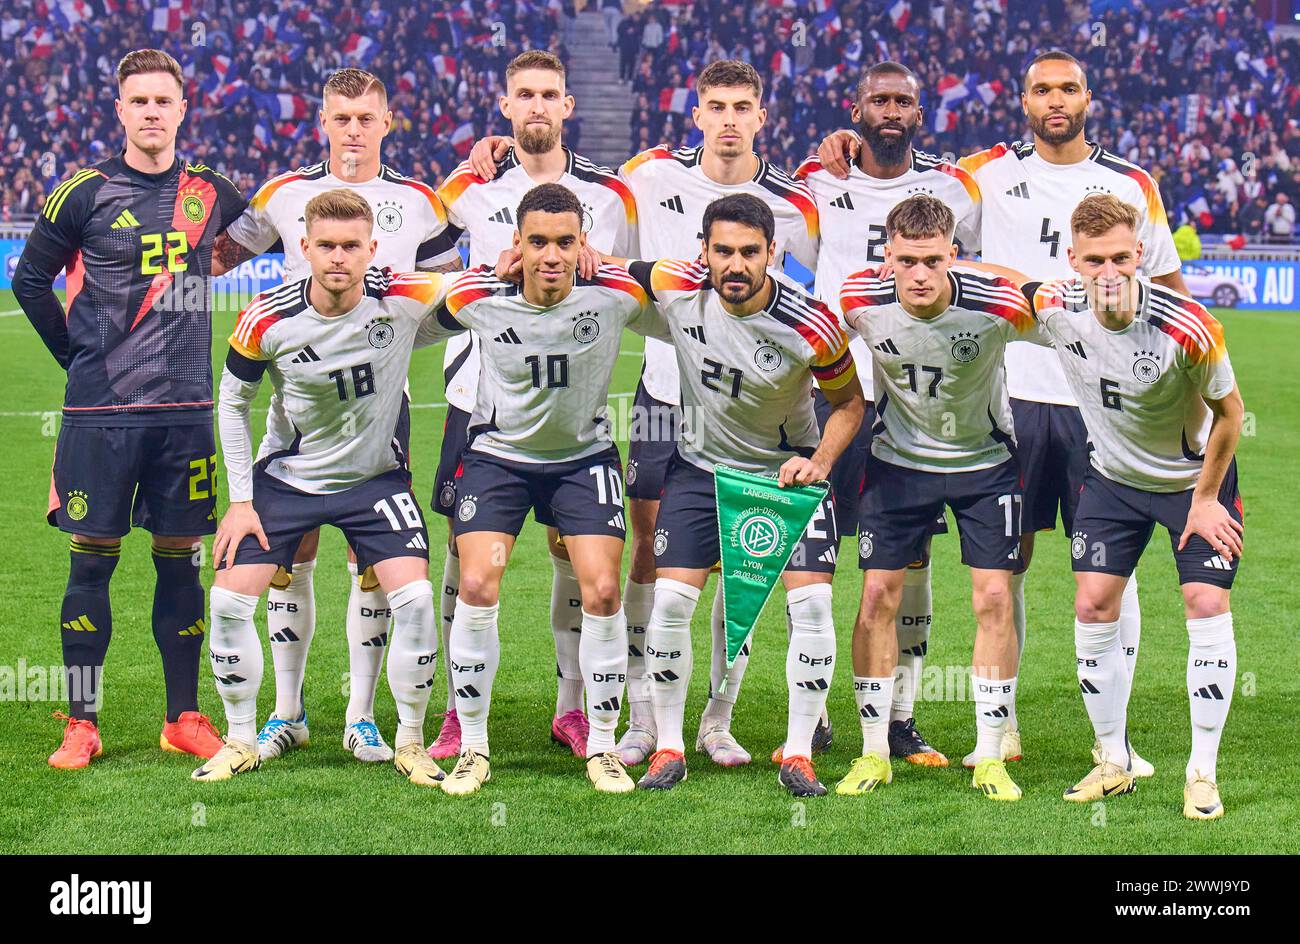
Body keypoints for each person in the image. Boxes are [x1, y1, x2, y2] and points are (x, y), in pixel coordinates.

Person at [818, 49, 1188, 771]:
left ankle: (1113, 737)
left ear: (1089, 96)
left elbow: (1169, 291)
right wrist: (847, 146)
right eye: (1042, 89)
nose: (1056, 100)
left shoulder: (1131, 183)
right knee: (1004, 569)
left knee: (1112, 570)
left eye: (1069, 88)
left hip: (1098, 402)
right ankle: (1004, 728)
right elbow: (901, 192)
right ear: (1024, 100)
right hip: (1013, 395)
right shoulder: (982, 174)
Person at [210, 68, 461, 765]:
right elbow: (219, 255)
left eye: (366, 118)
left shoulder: (420, 202)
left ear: (387, 122)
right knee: (291, 565)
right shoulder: (284, 195)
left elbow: (451, 287)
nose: (354, 129)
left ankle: (362, 717)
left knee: (373, 567)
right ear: (324, 120)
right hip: (297, 410)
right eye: (342, 117)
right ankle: (286, 714)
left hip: (382, 409)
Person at [13, 48, 245, 769]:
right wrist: (78, 361)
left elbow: (251, 238)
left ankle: (183, 716)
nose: (151, 112)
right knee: (91, 567)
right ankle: (82, 722)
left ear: (183, 109)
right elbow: (29, 282)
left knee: (182, 567)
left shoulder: (211, 191)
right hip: (99, 417)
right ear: (120, 110)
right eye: (138, 101)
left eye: (162, 101)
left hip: (184, 415)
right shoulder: (82, 192)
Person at [995, 194, 1243, 819]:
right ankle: (1114, 760)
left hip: (1193, 483)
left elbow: (1231, 414)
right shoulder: (1056, 308)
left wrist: (1208, 498)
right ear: (1072, 261)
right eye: (1094, 260)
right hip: (1111, 480)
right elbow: (1001, 284)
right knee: (1093, 602)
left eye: (1120, 259)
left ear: (1140, 255)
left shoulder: (1188, 326)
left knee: (1205, 602)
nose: (1108, 273)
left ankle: (1202, 774)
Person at [610, 193, 864, 796]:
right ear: (703, 251)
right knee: (670, 602)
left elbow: (850, 405)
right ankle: (669, 745)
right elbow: (608, 269)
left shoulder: (812, 324)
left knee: (811, 609)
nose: (736, 264)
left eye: (750, 252)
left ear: (772, 254)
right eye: (722, 251)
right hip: (701, 472)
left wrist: (819, 461)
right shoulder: (676, 287)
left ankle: (799, 753)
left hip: (785, 477)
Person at [615, 59, 820, 768]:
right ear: (695, 113)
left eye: (743, 106)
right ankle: (644, 715)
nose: (729, 118)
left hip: (751, 411)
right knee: (652, 558)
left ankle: (717, 719)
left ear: (762, 116)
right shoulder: (645, 174)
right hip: (664, 397)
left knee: (745, 566)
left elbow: (811, 293)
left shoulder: (797, 201)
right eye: (716, 105)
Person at [438, 51, 638, 761]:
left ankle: (571, 705)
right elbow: (431, 247)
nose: (536, 107)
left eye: (549, 94)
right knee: (466, 564)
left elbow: (626, 282)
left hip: (569, 408)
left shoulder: (608, 195)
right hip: (478, 398)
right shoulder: (474, 185)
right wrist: (466, 167)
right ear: (505, 104)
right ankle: (459, 718)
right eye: (524, 94)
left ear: (568, 106)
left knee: (573, 557)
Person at [438, 183, 667, 797]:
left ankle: (602, 746)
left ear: (582, 244)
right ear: (517, 243)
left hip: (583, 460)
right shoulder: (477, 295)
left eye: (566, 242)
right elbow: (394, 316)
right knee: (479, 583)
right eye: (537, 241)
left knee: (602, 589)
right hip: (498, 461)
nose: (551, 256)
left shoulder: (614, 296)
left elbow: (689, 296)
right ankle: (475, 747)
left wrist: (623, 266)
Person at [793, 61, 981, 769]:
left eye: (904, 100)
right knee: (808, 561)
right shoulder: (818, 180)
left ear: (921, 111)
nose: (892, 110)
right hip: (834, 395)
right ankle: (807, 716)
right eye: (879, 100)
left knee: (909, 562)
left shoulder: (956, 185)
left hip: (915, 402)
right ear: (857, 108)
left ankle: (900, 719)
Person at [837, 195, 1042, 802]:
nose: (920, 274)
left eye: (933, 260)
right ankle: (873, 752)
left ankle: (991, 751)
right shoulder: (859, 301)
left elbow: (1063, 315)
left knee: (995, 597)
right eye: (907, 261)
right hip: (897, 465)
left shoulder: (997, 306)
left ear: (955, 255)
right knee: (877, 595)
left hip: (986, 465)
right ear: (887, 259)